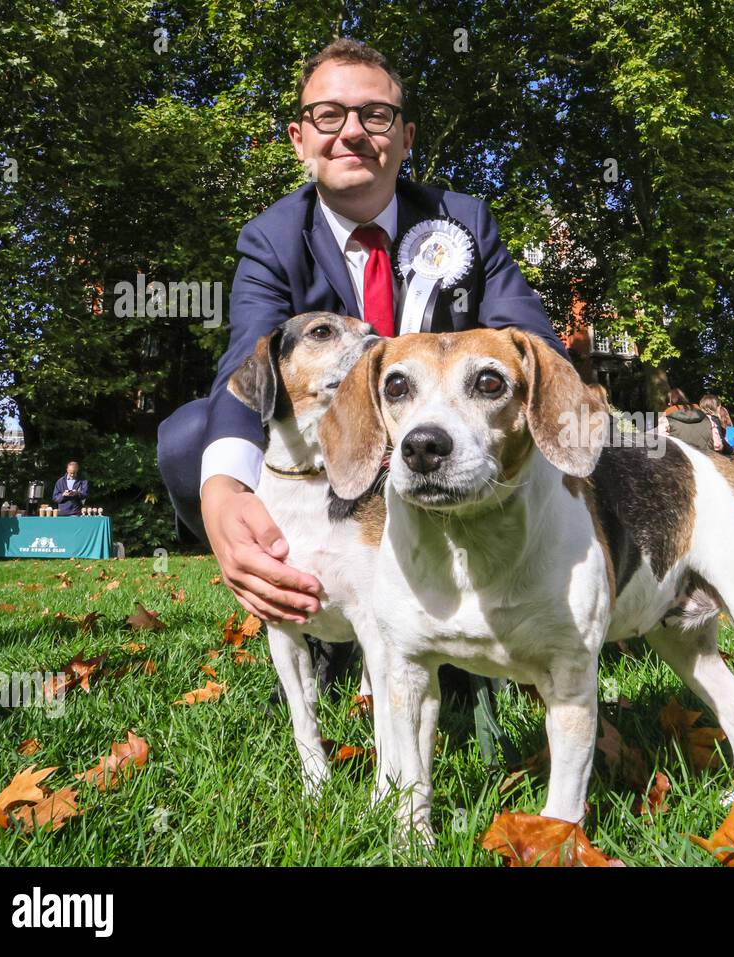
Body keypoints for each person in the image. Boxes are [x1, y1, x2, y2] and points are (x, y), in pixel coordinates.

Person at [155, 39, 570, 696]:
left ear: (405, 138)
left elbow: (538, 347)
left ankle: (481, 603)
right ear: (299, 138)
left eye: (375, 115)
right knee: (186, 442)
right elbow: (246, 359)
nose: (351, 131)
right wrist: (222, 493)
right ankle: (315, 615)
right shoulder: (270, 238)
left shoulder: (465, 221)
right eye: (328, 115)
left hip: (440, 452)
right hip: (330, 456)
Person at [660, 388, 722, 453]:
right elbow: (717, 445)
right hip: (707, 461)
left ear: (669, 404)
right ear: (685, 399)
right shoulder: (708, 418)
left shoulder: (664, 420)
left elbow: (658, 447)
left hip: (680, 461)